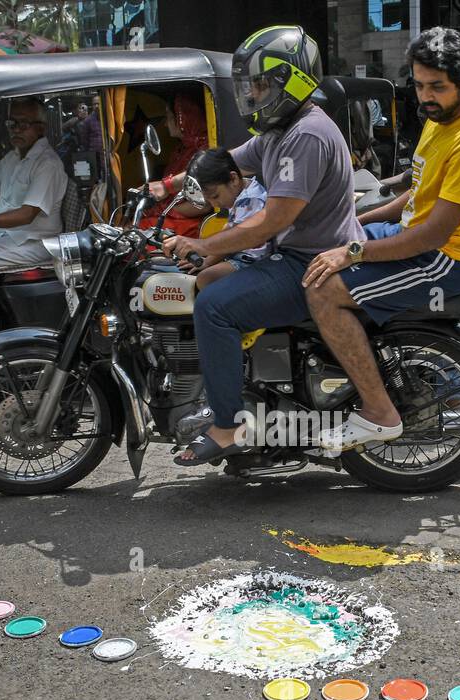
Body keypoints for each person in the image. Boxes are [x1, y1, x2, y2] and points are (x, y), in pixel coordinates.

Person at [162, 25, 364, 465]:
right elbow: (227, 161)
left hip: (309, 264)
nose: (252, 95)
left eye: (259, 84)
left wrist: (200, 246)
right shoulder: (278, 130)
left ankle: (227, 426)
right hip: (293, 256)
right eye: (249, 86)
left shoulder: (304, 135)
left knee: (213, 306)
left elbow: (268, 223)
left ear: (289, 81)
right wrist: (164, 185)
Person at [300, 26, 460, 451]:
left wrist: (352, 250)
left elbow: (432, 233)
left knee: (323, 291)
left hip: (443, 259)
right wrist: (355, 219)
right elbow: (418, 194)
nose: (427, 96)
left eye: (439, 87)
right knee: (320, 247)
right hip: (414, 237)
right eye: (420, 85)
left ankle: (379, 412)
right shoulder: (439, 120)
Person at [0, 97, 68, 279]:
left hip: (37, 242)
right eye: (12, 123)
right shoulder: (14, 156)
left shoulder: (47, 164)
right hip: (10, 236)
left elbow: (26, 214)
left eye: (24, 123)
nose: (16, 129)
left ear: (41, 127)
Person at [180, 148, 268, 290]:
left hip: (252, 260)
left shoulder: (250, 199)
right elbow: (229, 228)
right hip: (239, 255)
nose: (214, 204)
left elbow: (234, 239)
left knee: (205, 278)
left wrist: (207, 262)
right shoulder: (239, 193)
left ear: (233, 179)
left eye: (215, 196)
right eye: (209, 200)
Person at [138, 92, 208, 237]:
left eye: (169, 117)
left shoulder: (204, 151)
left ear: (183, 120)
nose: (165, 123)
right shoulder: (182, 148)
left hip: (189, 222)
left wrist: (164, 209)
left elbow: (203, 204)